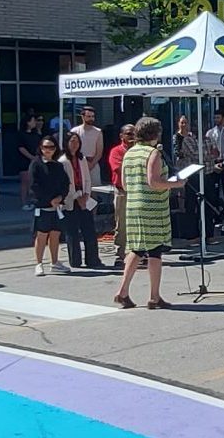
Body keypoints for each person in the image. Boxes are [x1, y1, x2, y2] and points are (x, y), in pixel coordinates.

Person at [111, 116, 187, 311]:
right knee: (154, 250)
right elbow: (154, 182)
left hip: (133, 204)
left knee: (136, 249)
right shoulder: (153, 153)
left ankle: (123, 291)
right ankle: (154, 296)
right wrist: (175, 183)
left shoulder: (129, 153)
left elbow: (125, 184)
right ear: (155, 134)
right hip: (152, 206)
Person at [28, 137, 71, 276]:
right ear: (41, 148)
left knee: (55, 234)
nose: (48, 150)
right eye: (45, 147)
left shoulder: (58, 166)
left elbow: (65, 184)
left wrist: (60, 197)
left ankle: (55, 262)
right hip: (43, 206)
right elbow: (34, 186)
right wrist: (49, 200)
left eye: (51, 147)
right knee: (41, 235)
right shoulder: (36, 164)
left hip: (57, 207)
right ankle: (39, 263)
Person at [62, 130, 104, 270]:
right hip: (70, 199)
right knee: (72, 232)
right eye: (72, 141)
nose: (74, 144)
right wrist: (76, 197)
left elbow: (87, 178)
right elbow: (64, 183)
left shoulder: (82, 159)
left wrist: (86, 194)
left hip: (84, 197)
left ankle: (93, 259)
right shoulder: (63, 161)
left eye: (77, 141)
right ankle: (75, 261)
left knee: (89, 230)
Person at [106, 124, 135, 265]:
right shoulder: (116, 151)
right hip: (122, 191)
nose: (132, 137)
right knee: (122, 224)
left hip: (137, 191)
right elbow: (119, 169)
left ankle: (137, 254)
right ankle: (120, 254)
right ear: (122, 136)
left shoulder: (138, 150)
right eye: (129, 134)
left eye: (134, 134)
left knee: (136, 224)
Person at [17, 115, 43, 207]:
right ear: (27, 122)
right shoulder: (21, 134)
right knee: (25, 181)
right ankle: (24, 202)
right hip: (24, 160)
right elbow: (21, 148)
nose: (35, 123)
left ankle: (33, 200)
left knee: (34, 181)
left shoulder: (35, 134)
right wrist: (31, 157)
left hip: (35, 160)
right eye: (33, 121)